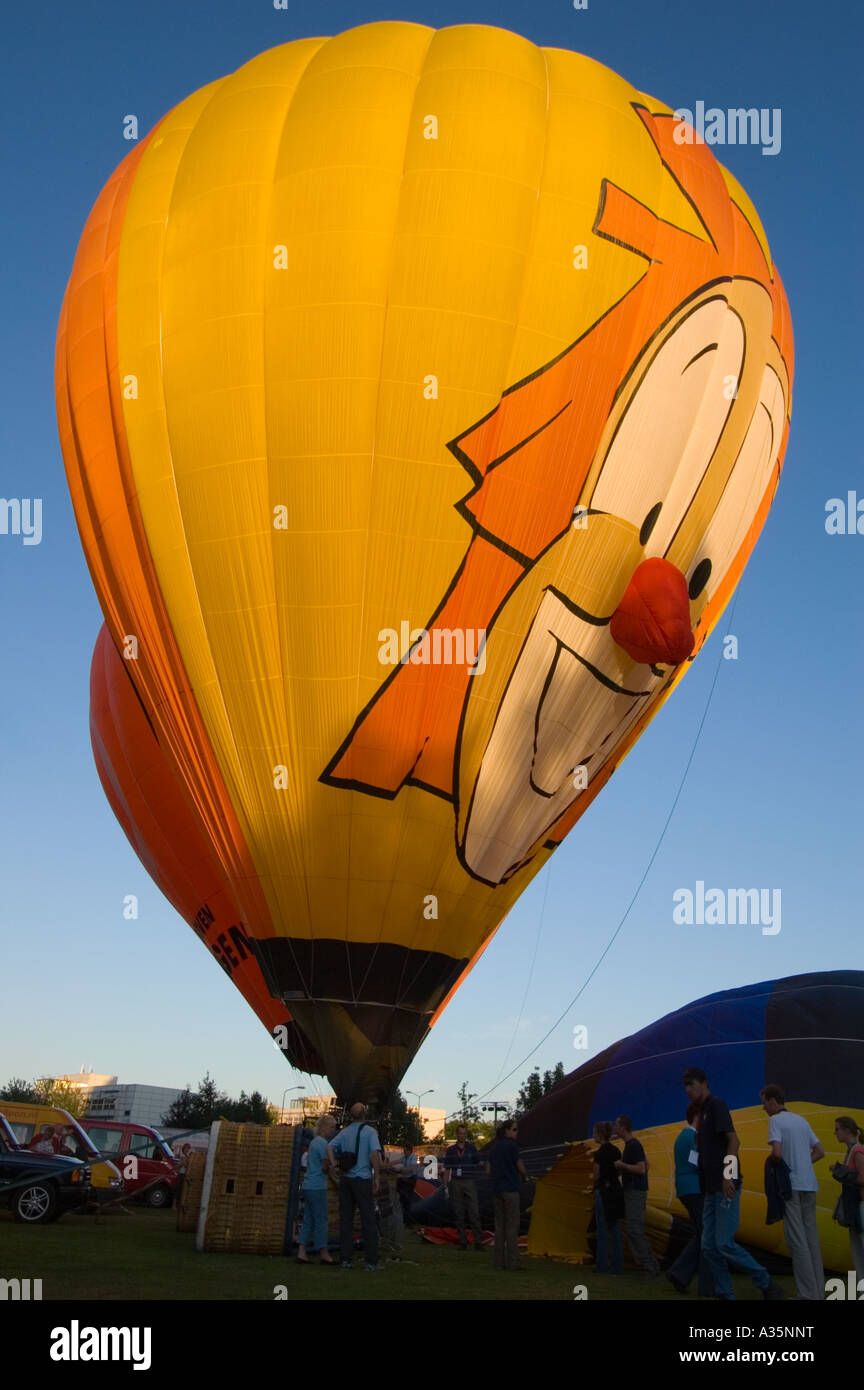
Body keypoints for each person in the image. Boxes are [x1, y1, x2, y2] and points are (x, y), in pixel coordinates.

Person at [682, 1066, 783, 1301]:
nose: (688, 1090)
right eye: (686, 1086)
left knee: (724, 1243)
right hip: (709, 1189)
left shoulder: (716, 1106)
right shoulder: (703, 1111)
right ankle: (725, 1292)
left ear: (704, 1083)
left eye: (691, 1085)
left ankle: (767, 1283)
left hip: (725, 1185)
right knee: (708, 1246)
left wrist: (728, 1175)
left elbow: (734, 1141)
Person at [760, 1084, 825, 1300]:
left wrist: (775, 1163)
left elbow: (777, 1153)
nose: (764, 1108)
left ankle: (807, 1294)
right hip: (809, 1184)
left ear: (772, 1100)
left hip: (791, 1186)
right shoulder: (801, 1120)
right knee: (811, 1239)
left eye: (764, 1103)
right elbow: (820, 1151)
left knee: (797, 1241)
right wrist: (804, 1163)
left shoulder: (775, 1121)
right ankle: (818, 1290)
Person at [327, 1103, 383, 1272]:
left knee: (346, 1221)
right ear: (365, 1113)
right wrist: (377, 1177)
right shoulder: (370, 1132)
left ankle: (345, 1260)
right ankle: (371, 1262)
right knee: (368, 1221)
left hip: (346, 1180)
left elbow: (329, 1147)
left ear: (351, 1115)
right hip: (362, 1179)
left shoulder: (344, 1132)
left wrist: (334, 1165)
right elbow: (374, 1155)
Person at [666, 1102, 713, 1296]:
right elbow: (697, 1163)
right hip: (694, 1188)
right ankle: (699, 1281)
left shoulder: (681, 1137)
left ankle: (680, 1274)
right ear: (697, 1115)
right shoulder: (693, 1136)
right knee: (707, 1235)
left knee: (702, 1234)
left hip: (684, 1188)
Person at [612, 1115, 660, 1276]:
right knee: (635, 1228)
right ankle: (652, 1264)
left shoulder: (633, 1145)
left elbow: (641, 1169)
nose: (614, 1128)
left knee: (634, 1229)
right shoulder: (632, 1145)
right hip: (635, 1190)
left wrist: (621, 1165)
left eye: (616, 1125)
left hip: (635, 1191)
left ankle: (648, 1267)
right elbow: (647, 1164)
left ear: (623, 1127)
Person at [485, 1119, 528, 1270]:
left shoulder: (494, 1148)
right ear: (507, 1131)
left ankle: (498, 1262)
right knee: (511, 1227)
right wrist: (525, 1176)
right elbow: (520, 1166)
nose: (517, 1132)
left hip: (497, 1190)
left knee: (499, 1227)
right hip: (510, 1190)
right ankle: (514, 1262)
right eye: (515, 1130)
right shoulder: (512, 1147)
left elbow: (488, 1171)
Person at [296, 1114, 336, 1266]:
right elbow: (325, 1167)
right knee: (321, 1220)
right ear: (325, 1127)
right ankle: (324, 1253)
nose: (333, 1130)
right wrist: (333, 1166)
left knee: (308, 1219)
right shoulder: (323, 1144)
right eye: (332, 1127)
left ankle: (301, 1251)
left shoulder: (313, 1143)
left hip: (308, 1184)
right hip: (318, 1185)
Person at [831, 1115, 864, 1280]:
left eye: (837, 1129)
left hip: (861, 1205)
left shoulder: (857, 1151)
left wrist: (843, 1173)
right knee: (858, 1249)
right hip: (855, 1205)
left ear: (846, 1130)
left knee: (861, 1248)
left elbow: (863, 1178)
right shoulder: (851, 1150)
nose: (835, 1133)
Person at [443, 1124, 484, 1250]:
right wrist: (445, 1186)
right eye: (460, 1133)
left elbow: (479, 1163)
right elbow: (447, 1169)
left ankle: (478, 1242)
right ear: (457, 1134)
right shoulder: (450, 1150)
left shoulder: (472, 1148)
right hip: (456, 1182)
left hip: (469, 1181)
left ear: (466, 1135)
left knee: (474, 1212)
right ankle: (463, 1242)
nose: (462, 1135)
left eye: (464, 1133)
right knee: (459, 1212)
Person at [592, 1121, 623, 1275]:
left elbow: (596, 1175)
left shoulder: (599, 1154)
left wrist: (595, 1183)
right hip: (615, 1190)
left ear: (599, 1134)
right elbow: (619, 1170)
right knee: (615, 1228)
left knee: (602, 1230)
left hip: (602, 1191)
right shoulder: (616, 1151)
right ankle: (618, 1266)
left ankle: (602, 1265)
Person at [376, 1148, 406, 1261]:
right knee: (385, 1215)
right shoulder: (376, 1154)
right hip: (382, 1189)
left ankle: (391, 1241)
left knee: (389, 1214)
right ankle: (388, 1241)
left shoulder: (378, 1154)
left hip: (385, 1189)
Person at [396, 1143, 420, 1223]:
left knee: (407, 1199)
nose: (404, 1152)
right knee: (402, 1198)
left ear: (409, 1151)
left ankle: (408, 1220)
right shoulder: (404, 1157)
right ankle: (404, 1218)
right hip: (406, 1179)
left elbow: (411, 1168)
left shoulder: (413, 1157)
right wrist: (387, 1165)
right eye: (404, 1151)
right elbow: (396, 1161)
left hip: (411, 1179)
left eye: (405, 1151)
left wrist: (401, 1170)